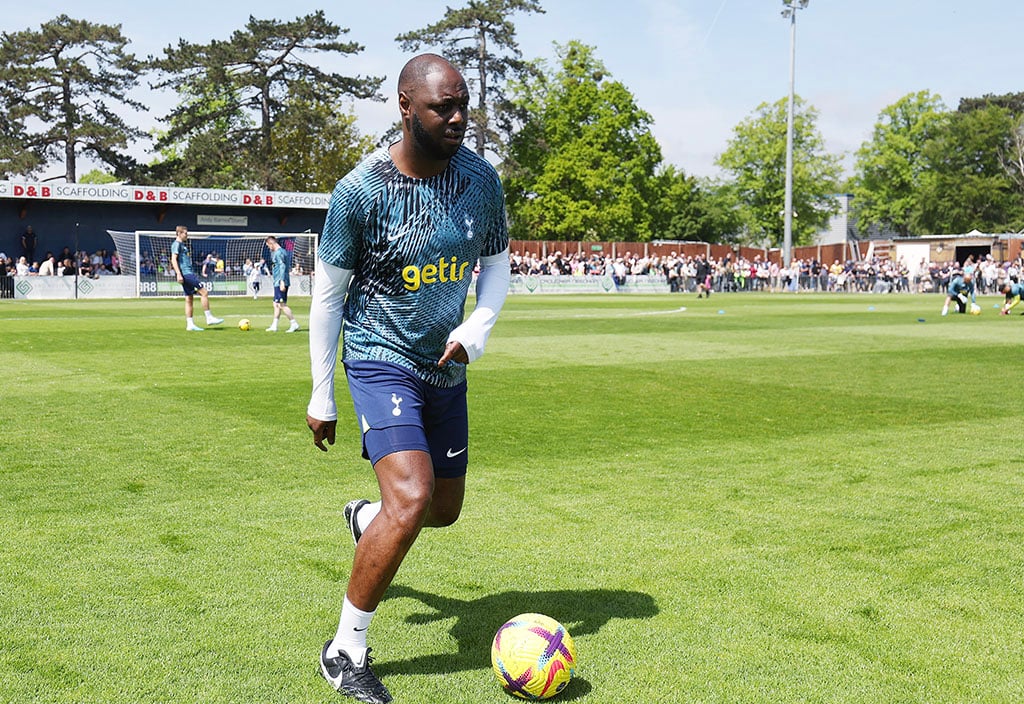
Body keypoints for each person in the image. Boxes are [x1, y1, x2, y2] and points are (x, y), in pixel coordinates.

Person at [306, 53, 510, 704]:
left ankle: (367, 517)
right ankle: (345, 649)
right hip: (378, 353)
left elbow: (498, 265)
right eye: (441, 108)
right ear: (405, 106)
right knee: (414, 497)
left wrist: (478, 326)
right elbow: (327, 297)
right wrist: (321, 391)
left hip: (445, 365)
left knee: (441, 511)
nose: (457, 119)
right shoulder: (360, 191)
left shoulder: (481, 181)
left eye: (463, 106)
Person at [170, 225, 224, 331]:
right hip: (186, 273)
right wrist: (178, 274)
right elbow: (173, 259)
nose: (187, 235)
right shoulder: (177, 244)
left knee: (189, 299)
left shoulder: (182, 245)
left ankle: (190, 324)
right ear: (179, 233)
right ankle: (209, 318)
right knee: (204, 292)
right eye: (185, 233)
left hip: (187, 273)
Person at [264, 237, 299, 332]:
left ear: (271, 243)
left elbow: (282, 266)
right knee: (276, 304)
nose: (268, 248)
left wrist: (282, 282)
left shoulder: (279, 253)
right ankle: (274, 325)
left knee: (282, 304)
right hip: (277, 281)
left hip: (280, 281)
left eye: (268, 246)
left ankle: (294, 323)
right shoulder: (282, 251)